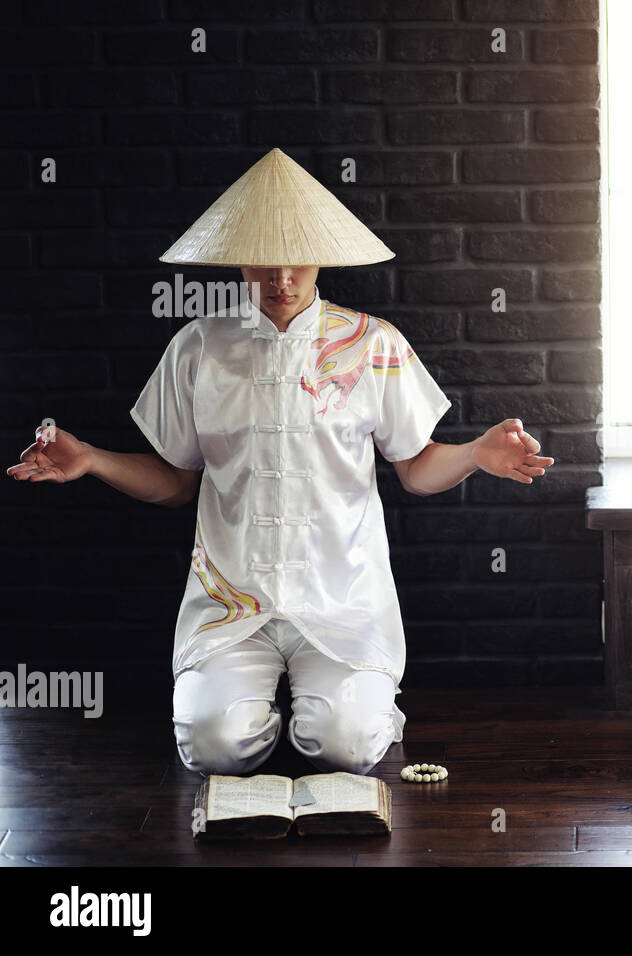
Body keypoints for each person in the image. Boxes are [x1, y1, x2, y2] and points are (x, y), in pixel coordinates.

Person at [6, 148, 555, 777]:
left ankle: (355, 709)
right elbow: (176, 483)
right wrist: (93, 460)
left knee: (347, 748)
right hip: (232, 603)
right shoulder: (198, 347)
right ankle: (259, 715)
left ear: (323, 254)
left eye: (297, 258)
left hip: (343, 599)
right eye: (264, 259)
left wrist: (475, 455)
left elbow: (416, 468)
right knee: (212, 747)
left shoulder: (372, 344)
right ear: (238, 258)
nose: (282, 276)